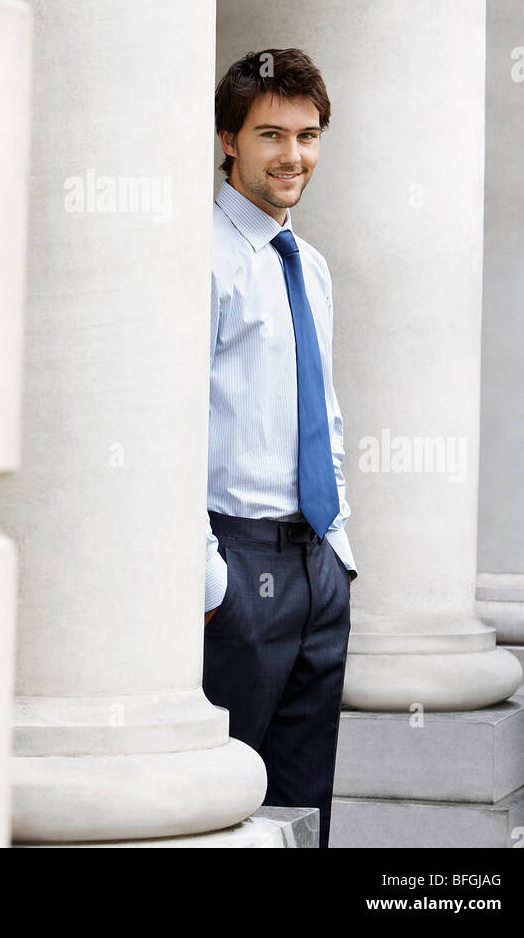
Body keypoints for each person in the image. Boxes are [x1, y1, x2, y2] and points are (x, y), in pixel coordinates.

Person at [203, 46, 356, 850]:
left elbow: (321, 414)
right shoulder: (204, 258)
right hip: (238, 570)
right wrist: (208, 579)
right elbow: (177, 419)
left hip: (315, 570)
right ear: (230, 140)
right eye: (271, 134)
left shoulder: (311, 265)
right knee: (220, 807)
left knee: (303, 813)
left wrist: (340, 555)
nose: (293, 155)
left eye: (308, 134)